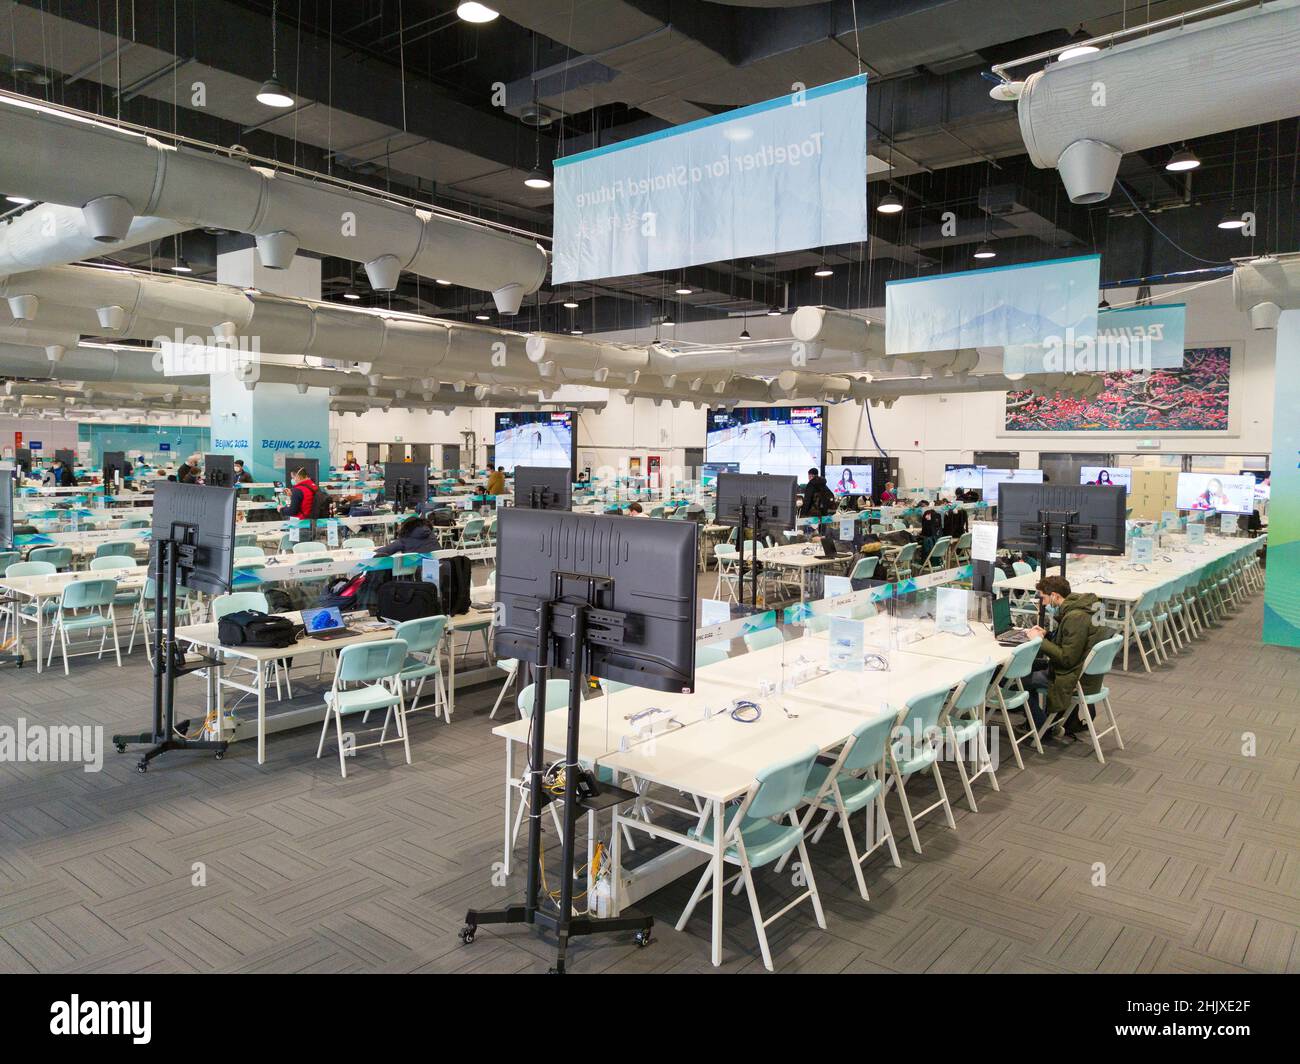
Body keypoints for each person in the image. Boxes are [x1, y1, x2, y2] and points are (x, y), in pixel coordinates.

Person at [1022, 576, 1108, 737]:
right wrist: (1047, 635)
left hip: (1073, 677)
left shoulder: (1075, 617)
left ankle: (1042, 728)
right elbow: (1073, 642)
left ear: (1055, 595)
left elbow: (1066, 659)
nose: (1044, 604)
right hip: (1088, 673)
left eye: (1044, 598)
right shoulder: (1087, 606)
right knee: (1030, 665)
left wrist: (1039, 641)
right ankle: (1046, 721)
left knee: (1019, 680)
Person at [373, 515, 438, 557]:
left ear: (406, 527)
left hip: (416, 569)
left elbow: (386, 550)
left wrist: (373, 551)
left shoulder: (405, 538)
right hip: (440, 567)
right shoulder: (431, 534)